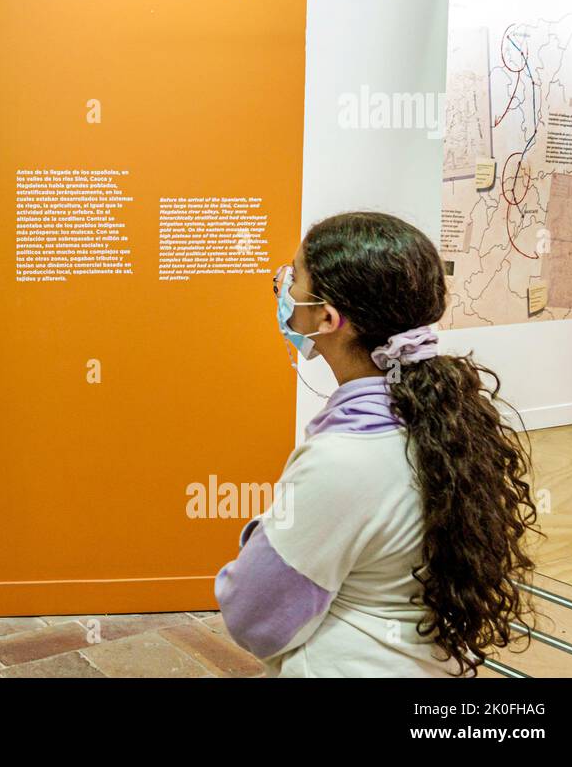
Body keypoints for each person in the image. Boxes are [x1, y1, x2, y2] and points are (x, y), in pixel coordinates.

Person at [215, 211, 541, 676]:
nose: (283, 289)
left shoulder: (344, 460)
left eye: (293, 279)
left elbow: (253, 615)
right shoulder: (447, 415)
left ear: (327, 318)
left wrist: (262, 538)